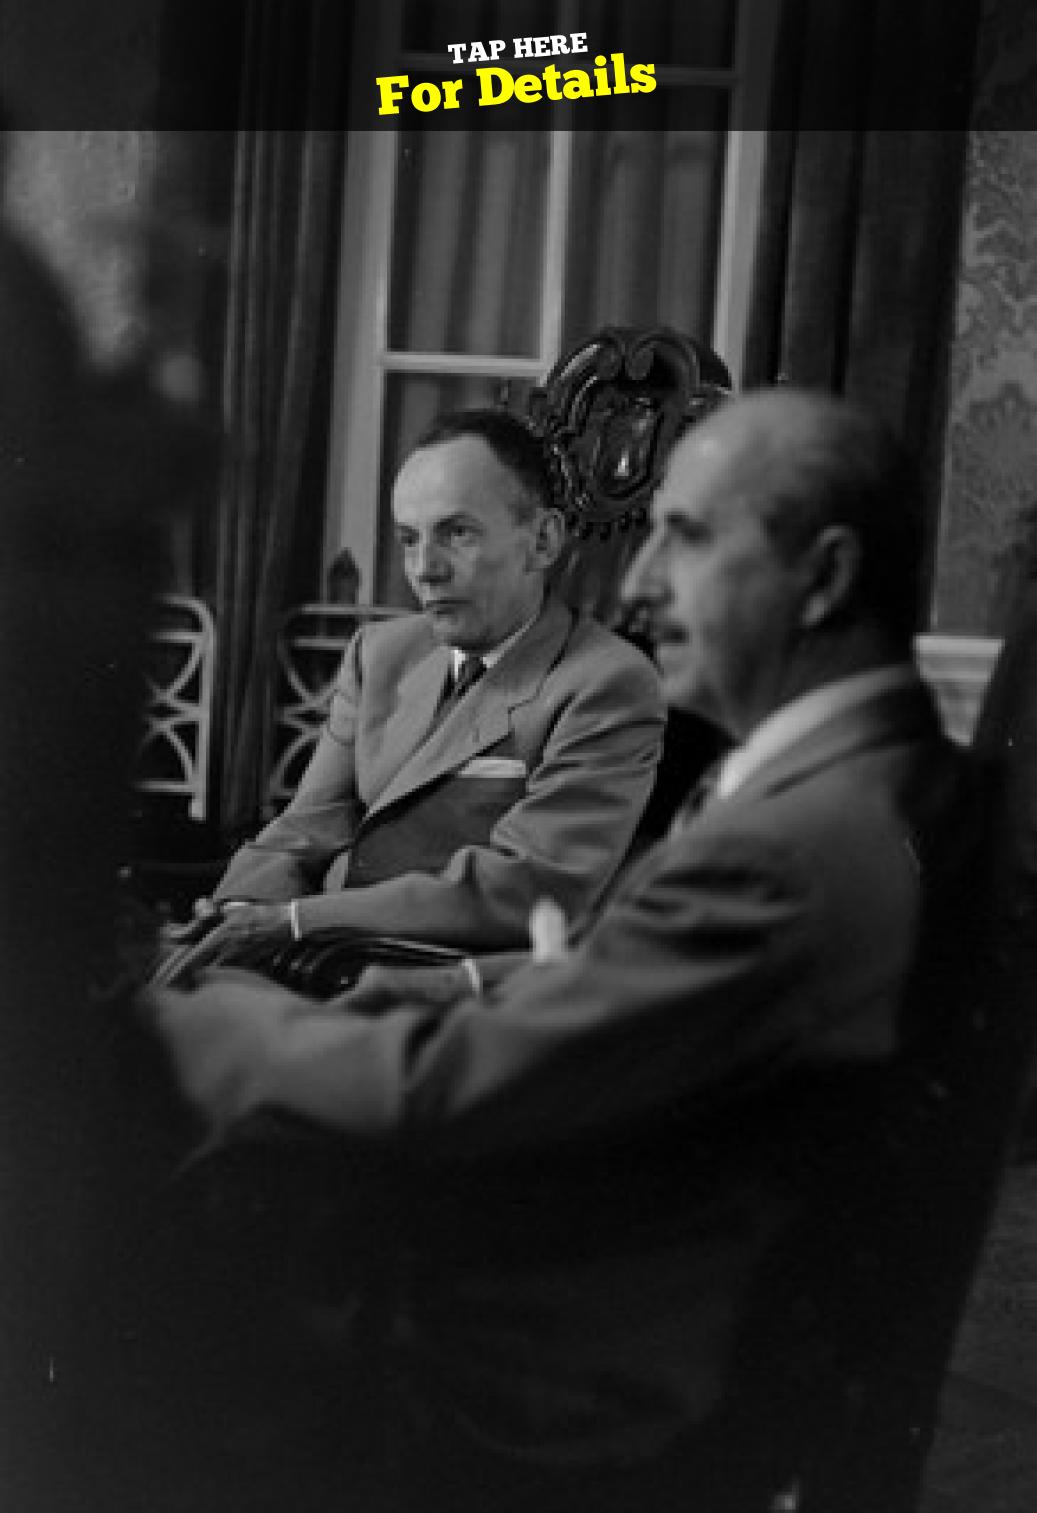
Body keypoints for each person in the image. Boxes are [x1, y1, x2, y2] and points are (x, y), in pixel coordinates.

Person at [150, 388, 977, 1512]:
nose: (634, 585)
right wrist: (409, 985)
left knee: (182, 1307)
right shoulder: (869, 788)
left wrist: (187, 1027)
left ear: (822, 578)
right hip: (618, 1234)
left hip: (585, 1376)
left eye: (681, 540)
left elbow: (450, 1081)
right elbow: (597, 973)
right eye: (407, 539)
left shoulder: (788, 843)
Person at [185, 407, 664, 976]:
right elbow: (307, 825)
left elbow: (522, 890)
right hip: (311, 960)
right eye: (409, 540)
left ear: (542, 540)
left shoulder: (605, 685)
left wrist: (295, 922)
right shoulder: (381, 654)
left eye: (456, 534)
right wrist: (241, 909)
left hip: (439, 989)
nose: (424, 570)